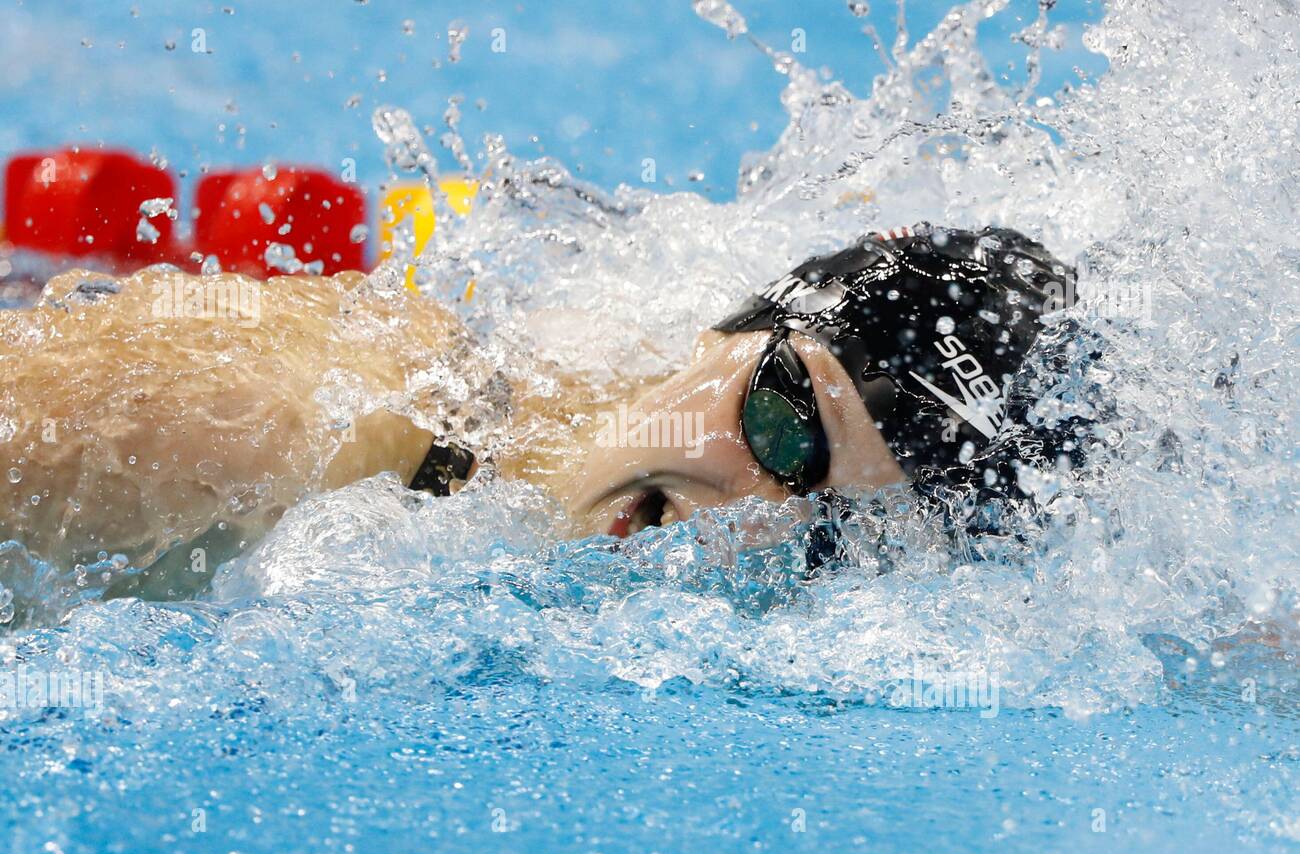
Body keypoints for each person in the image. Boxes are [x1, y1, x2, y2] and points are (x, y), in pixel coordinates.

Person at [0, 223, 1082, 594]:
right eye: (783, 429)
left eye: (827, 528)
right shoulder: (282, 420)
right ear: (732, 327)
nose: (756, 511)